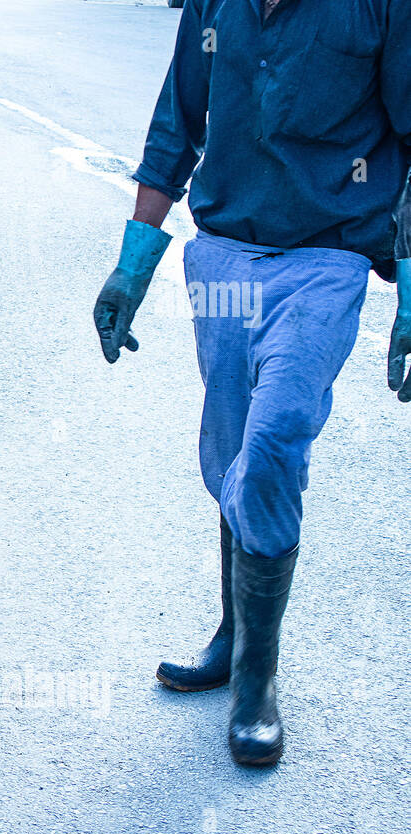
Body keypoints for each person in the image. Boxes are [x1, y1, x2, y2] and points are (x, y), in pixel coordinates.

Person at [91, 0, 411, 766]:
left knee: (272, 443)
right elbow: (179, 123)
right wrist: (133, 263)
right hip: (224, 259)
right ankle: (236, 636)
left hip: (326, 262)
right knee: (233, 448)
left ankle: (258, 682)